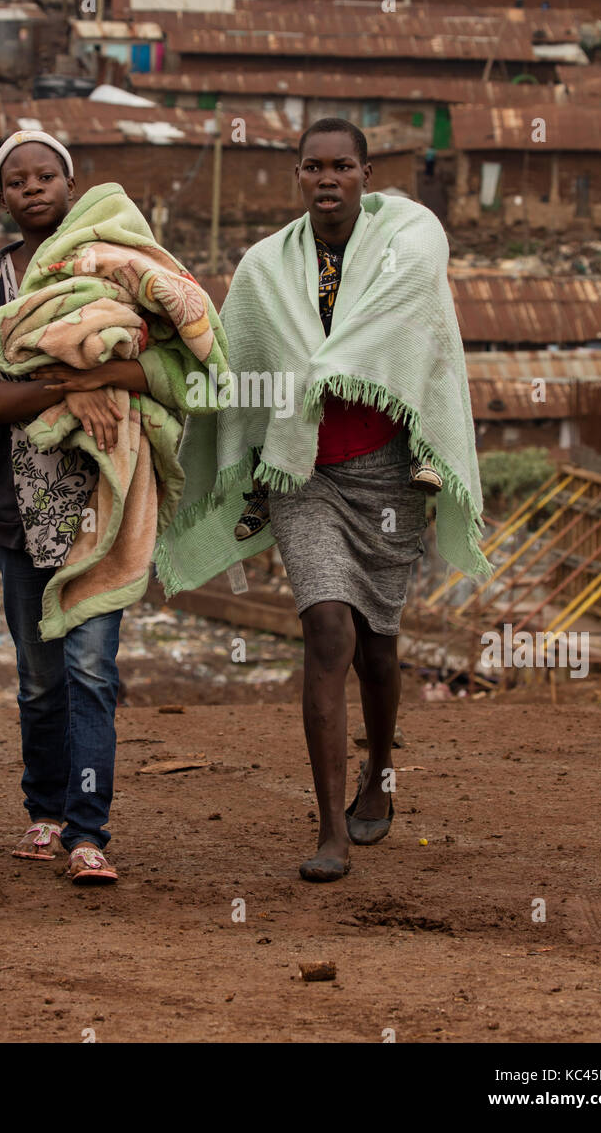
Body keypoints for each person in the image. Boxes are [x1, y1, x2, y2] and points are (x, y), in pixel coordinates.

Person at [156, 118, 490, 883]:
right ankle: (330, 827)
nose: (327, 178)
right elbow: (239, 361)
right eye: (313, 167)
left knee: (378, 642)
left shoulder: (408, 253)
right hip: (302, 475)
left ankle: (380, 772)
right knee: (327, 631)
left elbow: (426, 353)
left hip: (387, 475)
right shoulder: (265, 269)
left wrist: (339, 370)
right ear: (297, 177)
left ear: (367, 175)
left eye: (343, 165)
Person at [0, 129, 226, 885]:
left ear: (73, 186)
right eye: (17, 180)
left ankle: (86, 830)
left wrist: (117, 374)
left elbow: (174, 361)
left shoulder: (120, 264)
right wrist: (75, 385)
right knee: (39, 678)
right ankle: (42, 811)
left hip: (109, 502)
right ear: (0, 196)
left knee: (93, 672)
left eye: (47, 175)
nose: (33, 188)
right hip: (16, 509)